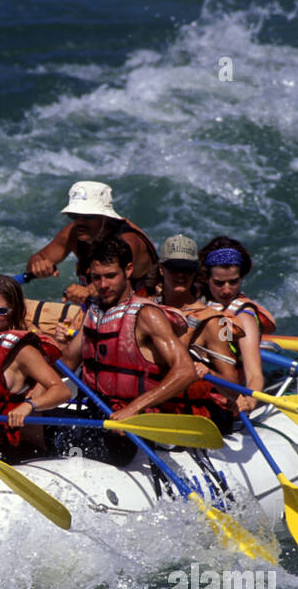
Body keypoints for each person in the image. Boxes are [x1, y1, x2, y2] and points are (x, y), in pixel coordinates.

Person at [60, 238, 199, 461]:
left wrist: (133, 409)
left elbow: (186, 371)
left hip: (137, 424)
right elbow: (66, 363)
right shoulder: (95, 312)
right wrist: (28, 399)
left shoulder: (147, 316)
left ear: (128, 270)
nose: (103, 285)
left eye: (111, 276)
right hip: (97, 415)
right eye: (96, 278)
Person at [0, 275, 70, 459]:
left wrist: (29, 405)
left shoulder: (24, 352)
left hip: (16, 448)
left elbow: (62, 391)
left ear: (14, 313)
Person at [144, 234, 234, 432]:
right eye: (174, 268)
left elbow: (233, 388)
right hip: (148, 407)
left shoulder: (214, 322)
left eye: (187, 269)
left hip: (189, 415)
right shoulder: (145, 309)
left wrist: (210, 372)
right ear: (161, 269)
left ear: (195, 273)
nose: (180, 275)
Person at [25, 180, 159, 305]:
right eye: (74, 216)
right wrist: (38, 265)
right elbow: (37, 258)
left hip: (141, 307)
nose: (80, 222)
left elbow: (108, 281)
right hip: (100, 307)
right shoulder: (73, 232)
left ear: (105, 217)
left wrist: (88, 291)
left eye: (88, 217)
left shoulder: (128, 241)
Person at [186, 236, 276, 413]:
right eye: (219, 283)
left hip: (224, 390)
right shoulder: (197, 300)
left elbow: (254, 374)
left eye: (233, 282)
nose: (227, 290)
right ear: (206, 278)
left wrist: (249, 401)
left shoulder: (244, 317)